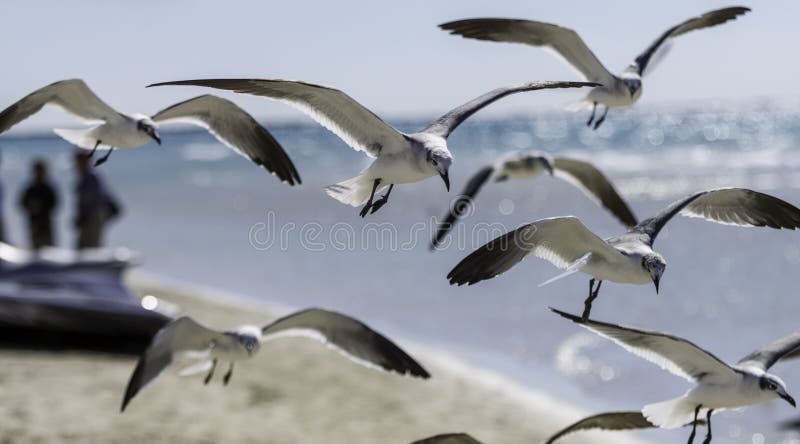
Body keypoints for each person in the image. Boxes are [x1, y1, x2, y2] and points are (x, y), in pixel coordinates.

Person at [74, 151, 121, 249]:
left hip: (93, 217)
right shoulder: (85, 177)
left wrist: (83, 216)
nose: (76, 164)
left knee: (90, 247)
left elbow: (91, 200)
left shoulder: (90, 178)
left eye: (78, 161)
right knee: (86, 246)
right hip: (92, 217)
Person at [19, 159, 58, 250]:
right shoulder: (31, 189)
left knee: (48, 248)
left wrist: (41, 207)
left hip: (45, 222)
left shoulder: (47, 188)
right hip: (34, 223)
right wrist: (32, 207)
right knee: (35, 248)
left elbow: (54, 204)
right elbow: (22, 203)